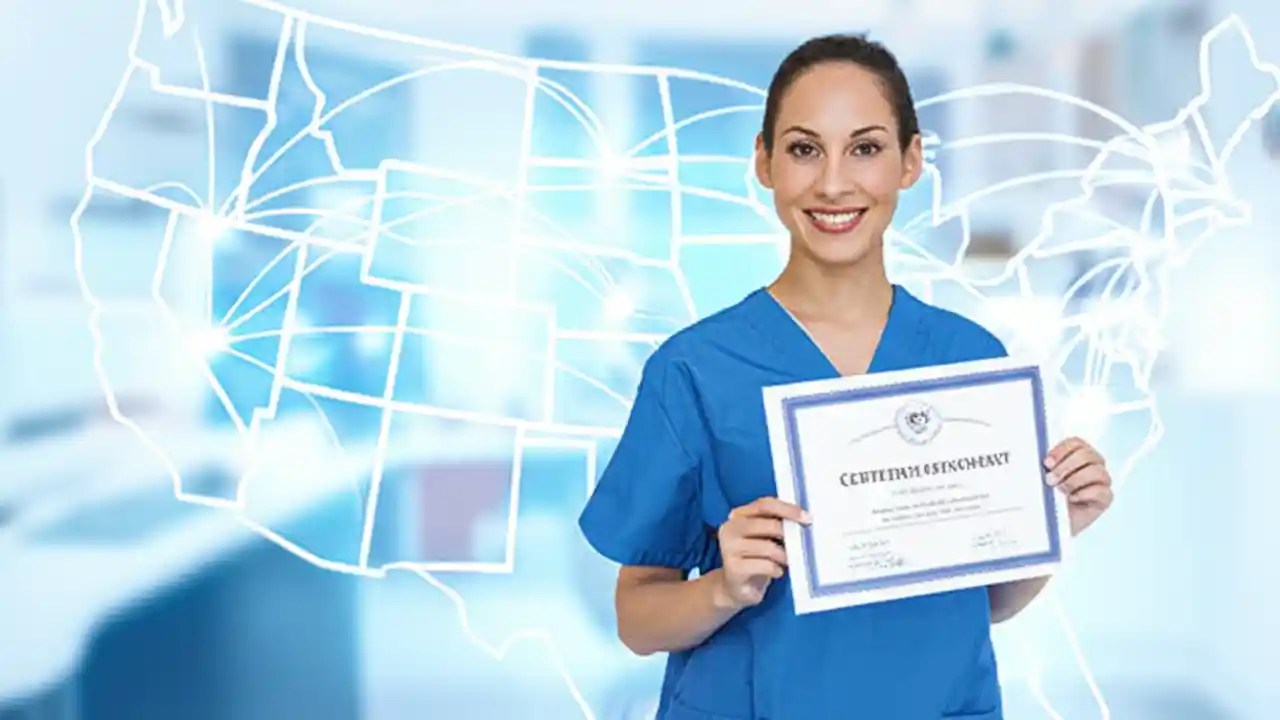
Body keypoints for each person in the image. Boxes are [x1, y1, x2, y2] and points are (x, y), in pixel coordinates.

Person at [577, 33, 1115, 720]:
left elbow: (981, 604)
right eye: (805, 149)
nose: (834, 183)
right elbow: (636, 618)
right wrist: (724, 589)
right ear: (764, 162)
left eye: (865, 148)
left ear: (911, 161)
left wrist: (1056, 524)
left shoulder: (969, 360)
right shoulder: (695, 370)